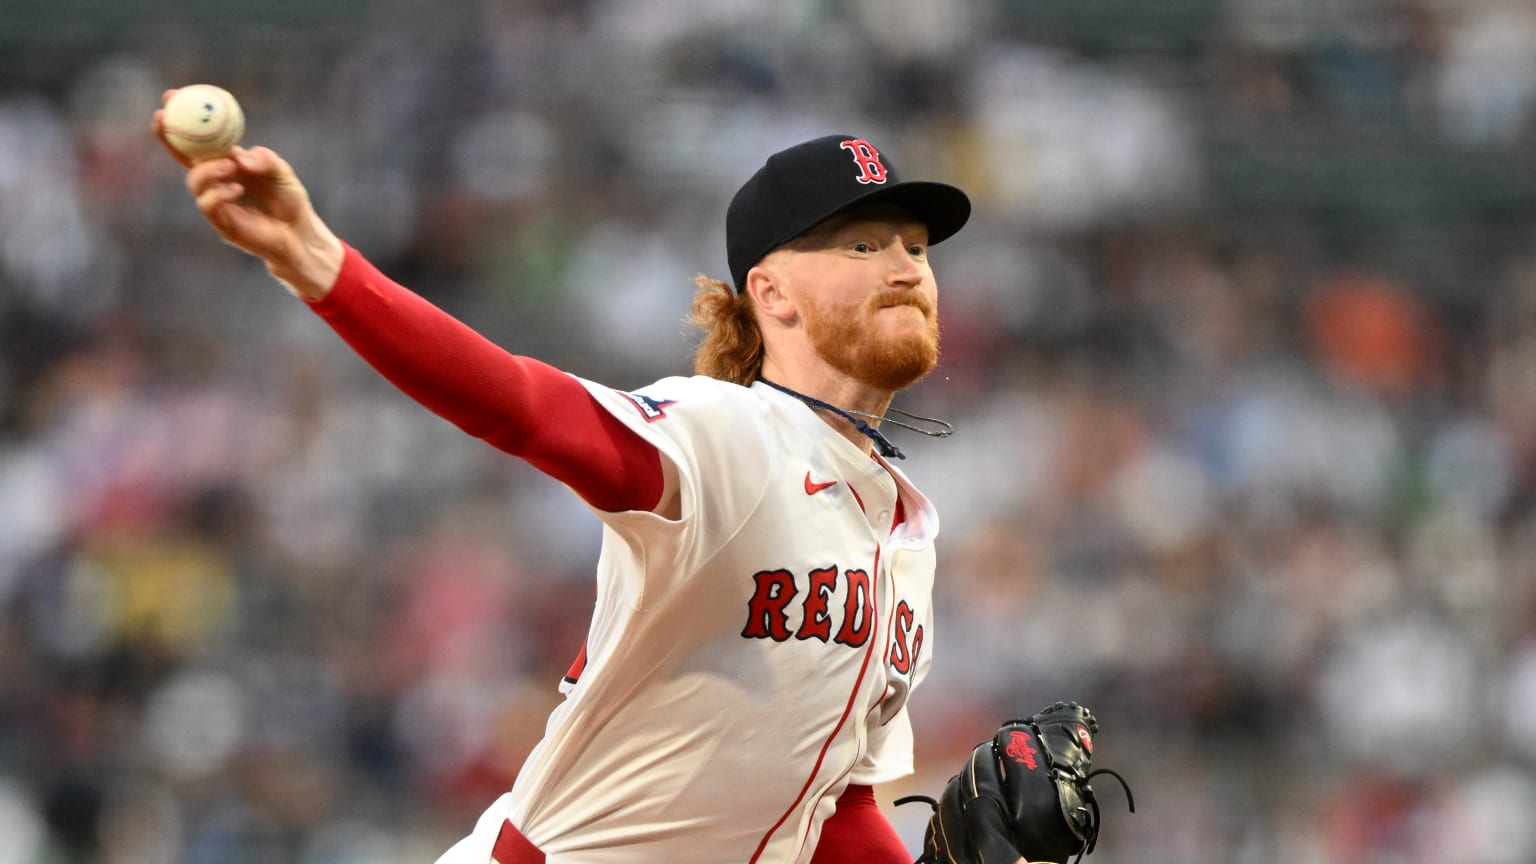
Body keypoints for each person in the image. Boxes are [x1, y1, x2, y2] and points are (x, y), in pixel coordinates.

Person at [154, 92, 983, 864]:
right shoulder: (730, 434)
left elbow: (833, 808)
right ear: (771, 293)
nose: (907, 268)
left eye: (915, 247)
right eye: (864, 245)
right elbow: (523, 406)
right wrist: (322, 265)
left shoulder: (904, 534)